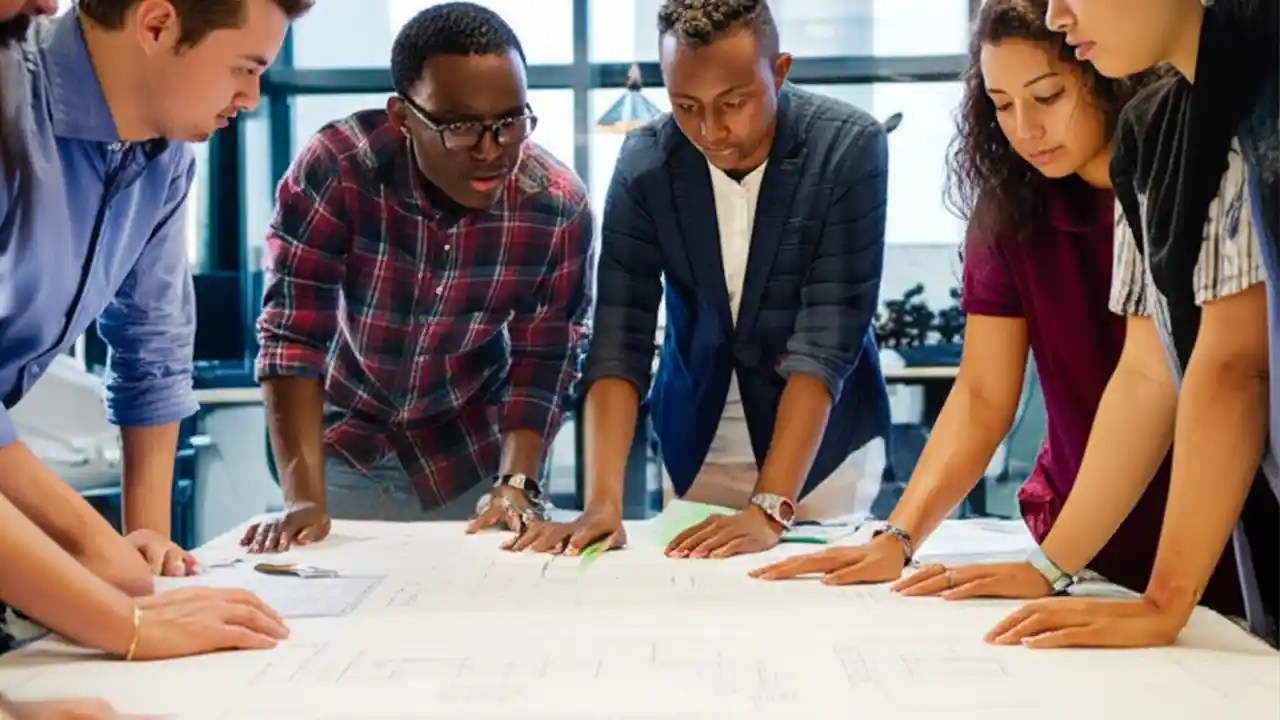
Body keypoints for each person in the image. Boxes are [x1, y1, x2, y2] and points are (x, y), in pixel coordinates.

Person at [751, 0, 1243, 621]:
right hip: (1085, 544)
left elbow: (1182, 380)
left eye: (1047, 96)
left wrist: (1057, 568)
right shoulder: (1011, 210)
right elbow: (983, 393)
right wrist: (898, 538)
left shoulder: (1182, 167)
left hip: (1216, 523)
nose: (1024, 129)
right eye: (1002, 104)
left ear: (1101, 68)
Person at [509, 0, 890, 560]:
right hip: (699, 436)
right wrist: (602, 504)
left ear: (778, 71)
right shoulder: (646, 164)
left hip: (823, 447)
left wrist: (771, 505)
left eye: (733, 103)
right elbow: (620, 340)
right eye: (686, 106)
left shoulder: (847, 148)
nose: (710, 130)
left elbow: (825, 342)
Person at [0, 0, 306, 661]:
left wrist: (151, 548)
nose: (251, 99)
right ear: (157, 25)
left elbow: (153, 349)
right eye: (245, 68)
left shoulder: (164, 154)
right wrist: (123, 606)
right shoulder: (8, 98)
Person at [977, 0, 1278, 649]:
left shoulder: (1267, 91)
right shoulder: (1148, 134)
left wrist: (1165, 600)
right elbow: (1148, 373)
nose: (1056, 16)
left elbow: (1235, 366)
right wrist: (1052, 566)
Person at [242, 1, 594, 554]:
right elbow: (292, 336)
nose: (491, 150)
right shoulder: (338, 168)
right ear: (403, 118)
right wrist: (301, 499)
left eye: (511, 122)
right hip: (339, 442)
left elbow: (545, 359)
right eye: (459, 127)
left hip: (469, 459)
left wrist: (516, 484)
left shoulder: (555, 205)